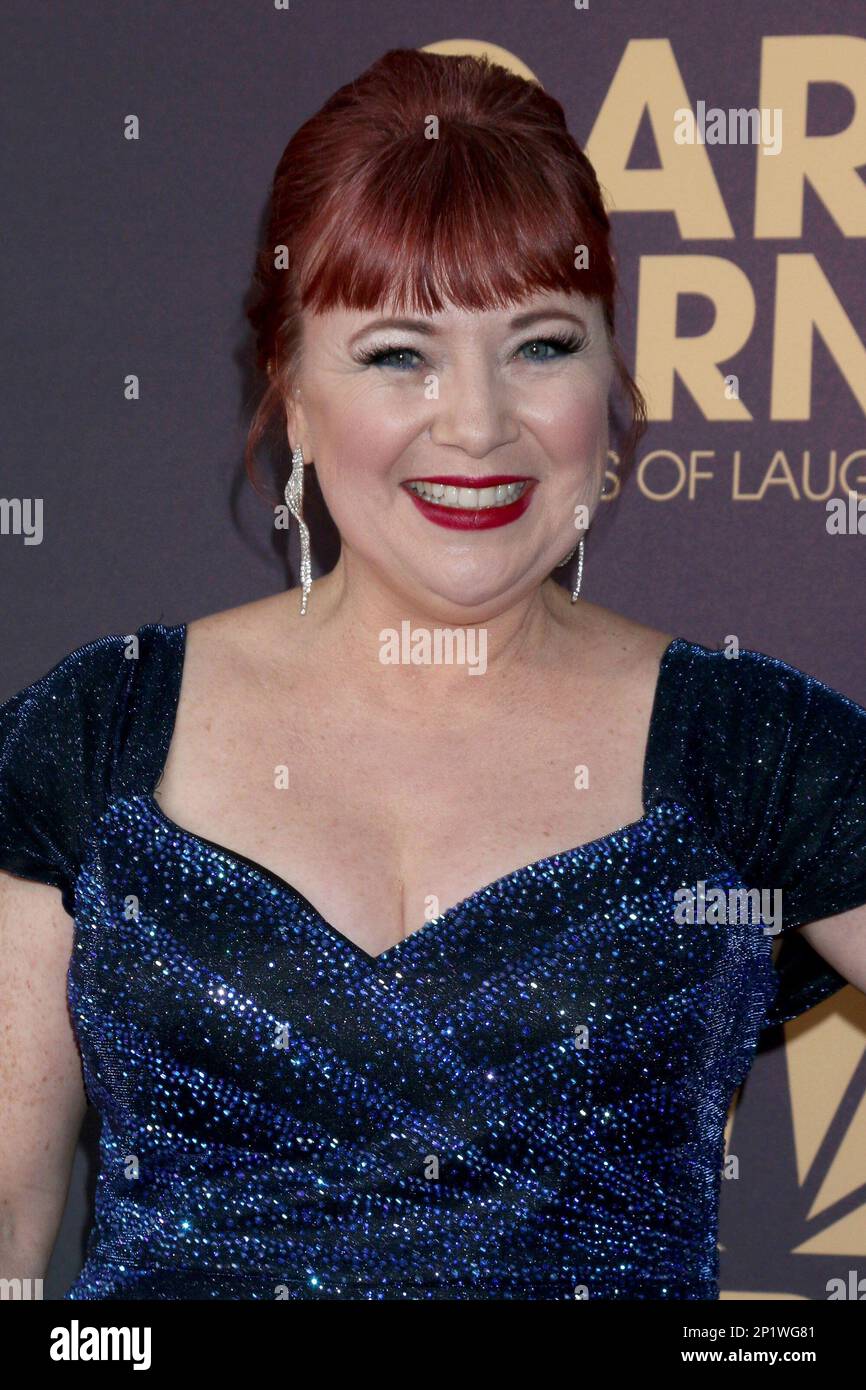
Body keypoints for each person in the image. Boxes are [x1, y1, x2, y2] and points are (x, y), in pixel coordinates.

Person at [1, 48, 865, 1302]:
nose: (474, 423)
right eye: (398, 353)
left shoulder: (754, 748)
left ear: (612, 384)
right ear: (291, 395)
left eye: (540, 345)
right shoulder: (96, 731)